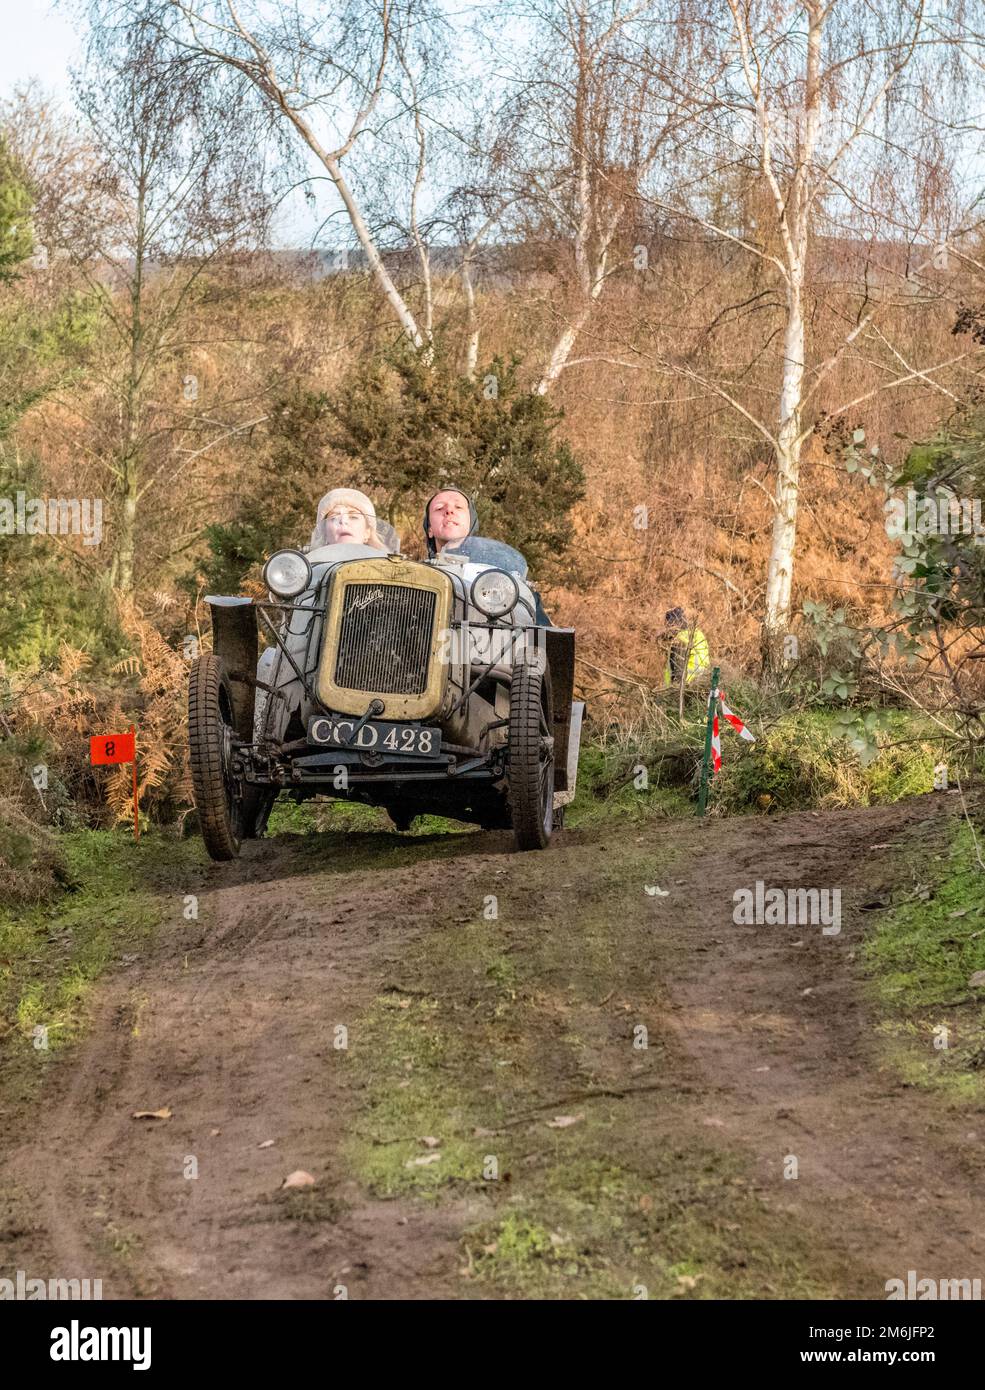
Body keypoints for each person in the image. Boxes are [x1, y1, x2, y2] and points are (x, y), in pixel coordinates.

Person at [310, 488, 388, 551]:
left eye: (353, 517)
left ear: (367, 532)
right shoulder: (307, 569)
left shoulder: (388, 568)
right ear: (324, 532)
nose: (343, 521)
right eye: (334, 518)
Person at [662, 607, 709, 686]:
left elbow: (678, 671)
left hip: (686, 684)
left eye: (668, 624)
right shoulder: (698, 633)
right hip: (703, 680)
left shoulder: (679, 640)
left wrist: (672, 688)